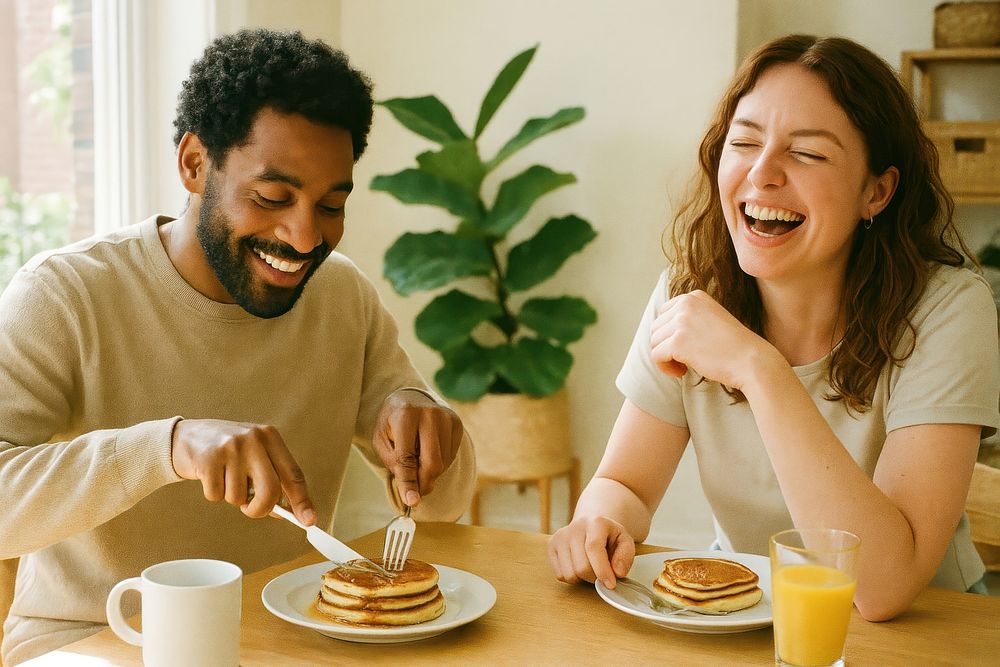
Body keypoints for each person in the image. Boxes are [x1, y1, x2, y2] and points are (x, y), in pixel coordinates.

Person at [0, 28, 475, 664]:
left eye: (331, 205)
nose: (305, 237)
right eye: (272, 197)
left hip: (285, 641)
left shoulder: (342, 299)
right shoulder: (67, 293)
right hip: (94, 644)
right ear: (195, 164)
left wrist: (425, 427)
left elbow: (443, 507)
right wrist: (168, 447)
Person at [548, 34, 999, 621]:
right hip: (747, 616)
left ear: (877, 191)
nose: (762, 174)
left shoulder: (948, 308)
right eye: (744, 142)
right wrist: (601, 522)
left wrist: (758, 368)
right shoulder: (691, 294)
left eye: (808, 154)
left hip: (924, 632)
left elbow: (882, 589)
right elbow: (627, 485)